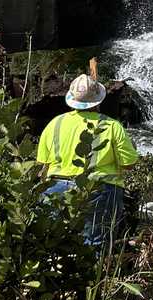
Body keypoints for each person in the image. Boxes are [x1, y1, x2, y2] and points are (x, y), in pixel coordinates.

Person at [37, 74, 138, 248]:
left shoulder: (55, 123)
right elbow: (128, 164)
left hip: (55, 189)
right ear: (99, 101)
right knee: (95, 244)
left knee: (52, 243)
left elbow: (42, 164)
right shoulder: (112, 126)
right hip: (98, 189)